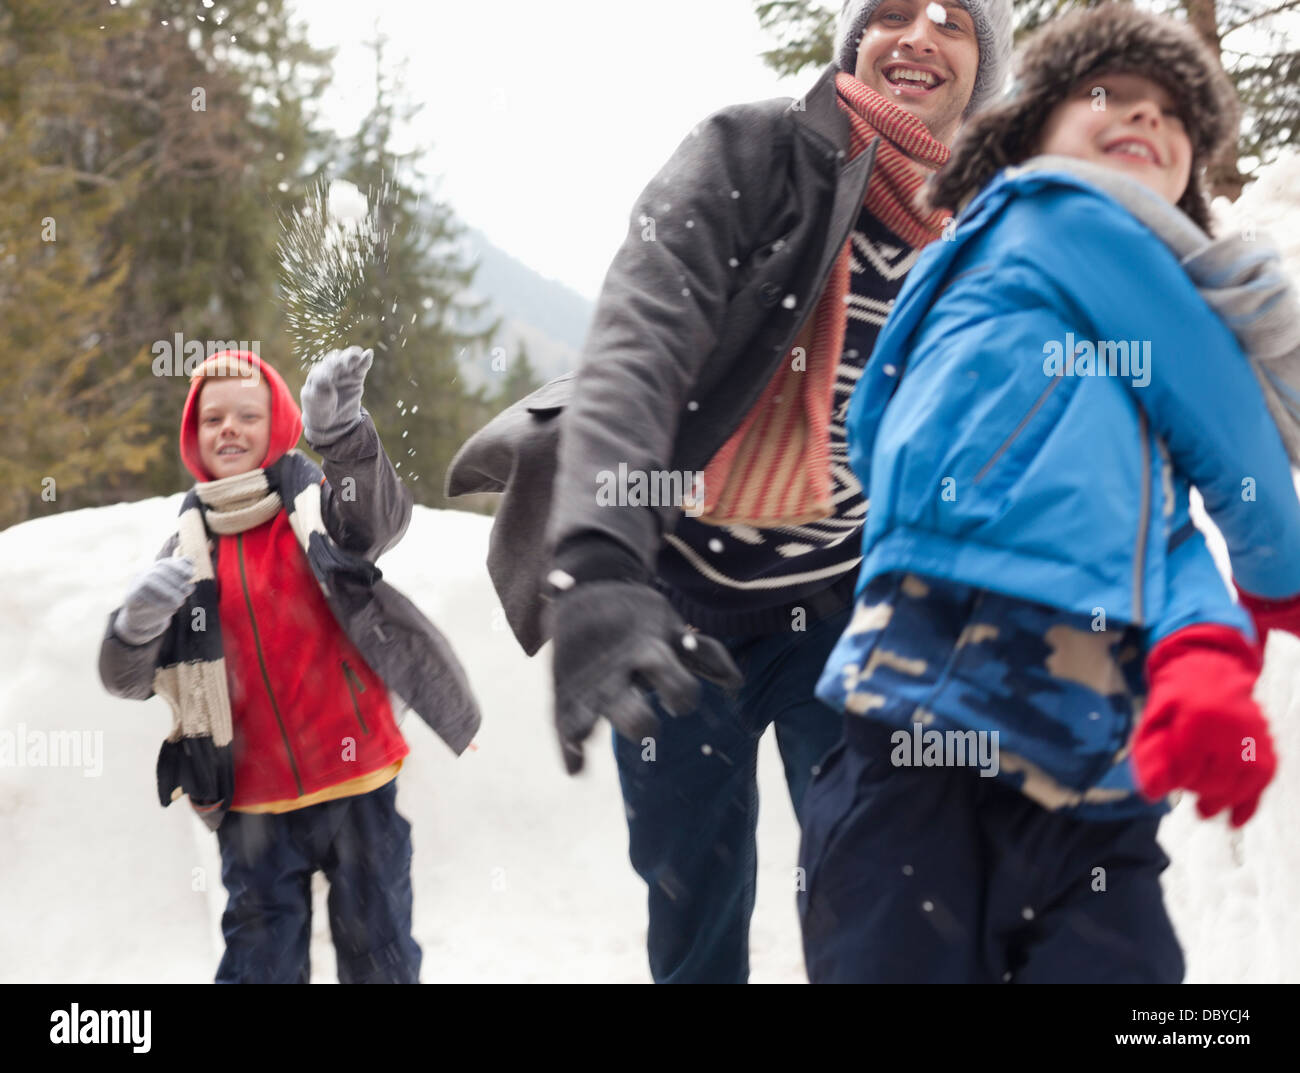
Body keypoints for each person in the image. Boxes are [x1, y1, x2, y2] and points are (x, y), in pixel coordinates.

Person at [449, 0, 1014, 983]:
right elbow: (638, 343)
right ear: (854, 42)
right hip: (677, 600)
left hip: (844, 607)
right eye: (889, 12)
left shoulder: (990, 227)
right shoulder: (753, 153)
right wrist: (601, 562)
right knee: (693, 902)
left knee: (875, 891)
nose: (917, 33)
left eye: (953, 21)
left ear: (983, 66)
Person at [798, 4, 1300, 984]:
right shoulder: (1063, 216)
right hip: (943, 721)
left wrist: (1203, 654)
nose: (1147, 120)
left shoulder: (1076, 290)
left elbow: (1156, 523)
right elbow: (1225, 420)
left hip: (1034, 739)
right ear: (1028, 132)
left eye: (1174, 117)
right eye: (1108, 94)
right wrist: (1279, 575)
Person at [98, 347, 479, 983]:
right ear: (193, 437)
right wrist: (135, 628)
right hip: (252, 806)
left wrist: (343, 436)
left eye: (248, 414)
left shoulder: (316, 512)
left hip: (359, 787)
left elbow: (379, 519)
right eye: (212, 417)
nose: (229, 428)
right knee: (260, 967)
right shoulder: (185, 552)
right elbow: (127, 679)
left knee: (380, 954)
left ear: (278, 423)